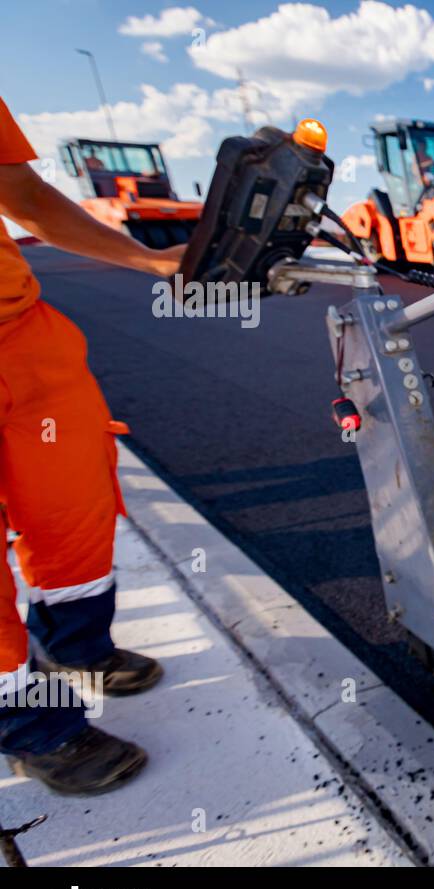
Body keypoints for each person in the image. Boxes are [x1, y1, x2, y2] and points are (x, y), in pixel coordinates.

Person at [0, 95, 183, 794]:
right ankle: (27, 724)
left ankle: (77, 641)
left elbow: (19, 191)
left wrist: (146, 260)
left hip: (20, 334)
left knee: (70, 503)